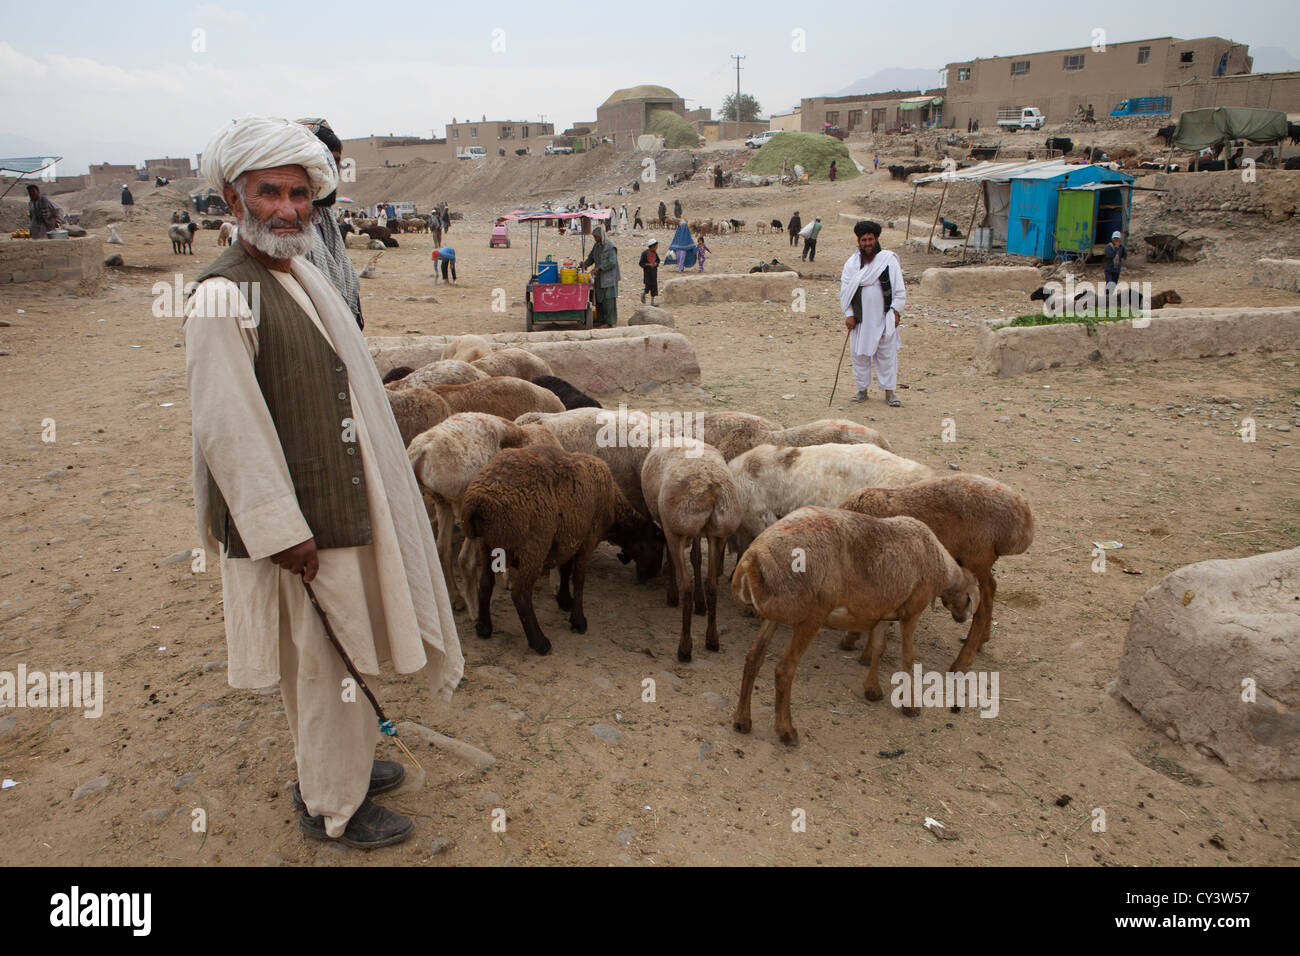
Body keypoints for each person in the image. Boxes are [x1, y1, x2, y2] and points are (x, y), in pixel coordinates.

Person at [186, 115, 462, 850]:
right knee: (325, 662)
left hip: (336, 502)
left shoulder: (298, 272)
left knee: (332, 656)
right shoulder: (223, 295)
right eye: (268, 192)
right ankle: (333, 807)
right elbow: (229, 427)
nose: (286, 208)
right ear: (231, 197)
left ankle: (338, 767)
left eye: (299, 193)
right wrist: (283, 531)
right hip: (301, 523)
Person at [298, 118, 364, 330]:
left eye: (335, 162)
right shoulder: (285, 229)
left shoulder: (326, 221)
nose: (332, 171)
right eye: (324, 162)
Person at [840, 220, 906, 407]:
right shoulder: (851, 264)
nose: (867, 243)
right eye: (864, 240)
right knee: (859, 355)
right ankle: (862, 390)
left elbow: (899, 290)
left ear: (876, 239)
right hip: (860, 319)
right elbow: (845, 292)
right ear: (858, 242)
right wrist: (849, 314)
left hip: (884, 316)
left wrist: (896, 312)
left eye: (870, 239)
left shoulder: (888, 260)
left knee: (886, 355)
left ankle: (890, 393)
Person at [582, 225, 620, 327]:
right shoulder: (596, 246)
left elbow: (612, 263)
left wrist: (599, 268)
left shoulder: (610, 247)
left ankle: (610, 321)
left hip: (609, 278)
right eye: (594, 237)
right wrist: (585, 264)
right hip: (599, 277)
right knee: (599, 299)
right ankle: (601, 319)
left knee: (609, 300)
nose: (595, 239)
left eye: (597, 237)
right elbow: (591, 257)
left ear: (601, 236)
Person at [1104, 230, 1126, 297]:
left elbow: (1124, 254)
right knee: (1109, 283)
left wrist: (1124, 258)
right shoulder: (1109, 247)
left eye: (1117, 238)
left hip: (1116, 269)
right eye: (1115, 238)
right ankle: (1107, 296)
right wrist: (1116, 249)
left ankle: (1110, 296)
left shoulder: (1121, 247)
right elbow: (1109, 256)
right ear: (1112, 239)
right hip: (1109, 269)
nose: (1116, 240)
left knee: (1114, 284)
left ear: (1119, 239)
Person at [639, 239, 660, 305]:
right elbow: (641, 263)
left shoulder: (655, 253)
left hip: (654, 273)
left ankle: (652, 302)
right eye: (656, 246)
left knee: (654, 287)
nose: (656, 248)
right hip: (647, 273)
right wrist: (648, 265)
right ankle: (644, 294)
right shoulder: (645, 254)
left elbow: (658, 260)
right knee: (647, 286)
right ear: (652, 246)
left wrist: (656, 263)